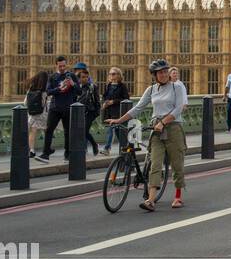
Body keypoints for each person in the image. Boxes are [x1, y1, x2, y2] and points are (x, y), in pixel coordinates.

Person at [106, 59, 189, 210]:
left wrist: (163, 123)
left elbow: (178, 109)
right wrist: (119, 120)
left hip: (173, 127)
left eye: (165, 72)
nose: (163, 75)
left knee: (177, 165)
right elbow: (137, 108)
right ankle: (150, 200)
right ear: (154, 75)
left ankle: (177, 196)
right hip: (156, 129)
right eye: (160, 73)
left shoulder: (176, 87)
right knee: (155, 165)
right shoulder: (151, 90)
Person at [40, 56, 77, 161]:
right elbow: (48, 91)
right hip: (55, 108)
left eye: (64, 66)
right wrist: (59, 88)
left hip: (68, 107)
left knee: (67, 132)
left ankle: (68, 153)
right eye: (60, 66)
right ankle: (45, 153)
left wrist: (73, 84)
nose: (62, 68)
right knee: (48, 130)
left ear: (66, 65)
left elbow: (79, 91)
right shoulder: (52, 77)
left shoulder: (72, 76)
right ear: (56, 65)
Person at [99, 67, 130, 155]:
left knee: (112, 129)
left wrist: (113, 101)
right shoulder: (108, 85)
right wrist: (105, 102)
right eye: (110, 74)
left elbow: (126, 99)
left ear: (118, 75)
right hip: (109, 112)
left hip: (118, 112)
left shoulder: (122, 86)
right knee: (116, 131)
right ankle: (126, 147)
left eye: (113, 74)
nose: (111, 75)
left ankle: (107, 148)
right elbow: (105, 96)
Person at [73, 64, 101, 155]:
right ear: (79, 78)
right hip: (79, 112)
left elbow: (97, 100)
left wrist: (97, 112)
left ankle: (93, 144)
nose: (85, 79)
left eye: (86, 77)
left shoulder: (92, 87)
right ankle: (83, 148)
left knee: (84, 130)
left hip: (90, 111)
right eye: (83, 77)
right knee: (80, 131)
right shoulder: (77, 87)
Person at [24, 71, 49, 159]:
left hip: (32, 113)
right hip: (42, 114)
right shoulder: (43, 90)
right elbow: (43, 103)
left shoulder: (30, 88)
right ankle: (47, 148)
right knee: (47, 131)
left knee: (32, 132)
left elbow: (25, 102)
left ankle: (31, 150)